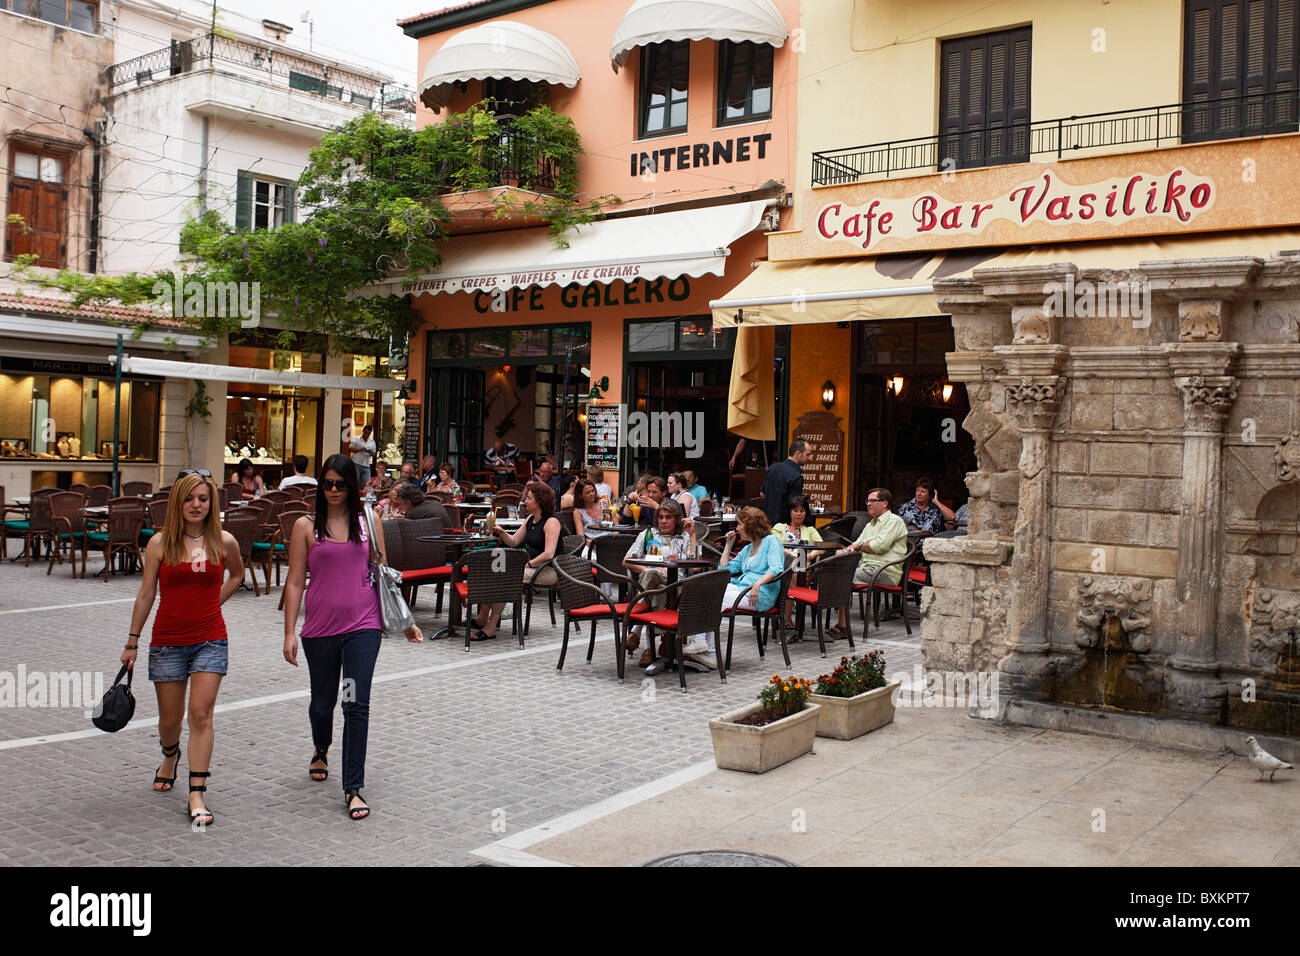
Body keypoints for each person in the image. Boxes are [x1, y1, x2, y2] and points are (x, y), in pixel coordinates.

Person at [282, 454, 422, 822]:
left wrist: (405, 622)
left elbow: (384, 576)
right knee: (322, 703)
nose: (332, 490)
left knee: (355, 705)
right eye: (326, 484)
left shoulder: (369, 522)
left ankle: (353, 787)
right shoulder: (305, 527)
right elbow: (295, 580)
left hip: (363, 626)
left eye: (339, 484)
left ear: (351, 487)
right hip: (320, 631)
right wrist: (288, 633)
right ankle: (320, 747)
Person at [121, 470, 244, 827]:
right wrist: (132, 641)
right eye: (189, 499)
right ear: (178, 502)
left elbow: (236, 574)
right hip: (167, 642)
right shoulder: (159, 543)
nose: (196, 505)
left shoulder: (224, 541)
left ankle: (196, 794)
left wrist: (213, 603)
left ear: (211, 503)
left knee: (201, 715)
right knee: (169, 721)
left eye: (203, 499)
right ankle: (170, 754)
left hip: (210, 639)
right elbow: (146, 594)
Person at [677, 505, 784, 673]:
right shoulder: (747, 549)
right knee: (705, 592)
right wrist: (728, 545)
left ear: (750, 525)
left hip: (760, 595)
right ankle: (707, 652)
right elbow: (725, 570)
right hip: (742, 590)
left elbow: (776, 568)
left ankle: (704, 648)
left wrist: (758, 584)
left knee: (711, 596)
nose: (737, 528)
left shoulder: (772, 542)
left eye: (740, 524)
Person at [471, 484, 562, 641]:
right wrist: (501, 532)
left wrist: (530, 564)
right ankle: (481, 617)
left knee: (508, 578)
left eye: (529, 498)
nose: (525, 501)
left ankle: (491, 626)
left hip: (548, 570)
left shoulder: (551, 522)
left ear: (540, 501)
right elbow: (513, 542)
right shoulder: (530, 519)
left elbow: (549, 553)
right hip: (531, 566)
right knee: (495, 571)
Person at [623, 500, 697, 668]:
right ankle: (648, 649)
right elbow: (626, 561)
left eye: (668, 517)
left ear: (676, 519)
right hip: (655, 582)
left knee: (654, 588)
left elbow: (694, 567)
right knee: (655, 585)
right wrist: (647, 571)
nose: (663, 521)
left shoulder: (684, 537)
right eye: (661, 517)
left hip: (676, 583)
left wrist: (692, 535)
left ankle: (636, 631)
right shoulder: (648, 534)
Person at [832, 487, 909, 638]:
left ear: (885, 503)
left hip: (885, 571)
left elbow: (879, 546)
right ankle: (840, 623)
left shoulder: (894, 521)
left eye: (873, 500)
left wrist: (859, 547)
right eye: (867, 501)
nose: (868, 504)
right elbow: (856, 544)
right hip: (867, 568)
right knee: (834, 570)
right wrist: (845, 551)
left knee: (843, 577)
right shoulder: (870, 524)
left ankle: (843, 626)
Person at [772, 495, 823, 627]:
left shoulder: (809, 530)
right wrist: (790, 553)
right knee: (792, 571)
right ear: (789, 512)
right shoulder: (780, 527)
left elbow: (820, 547)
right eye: (795, 510)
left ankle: (786, 617)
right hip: (780, 564)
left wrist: (809, 556)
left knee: (794, 570)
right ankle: (787, 617)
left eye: (802, 511)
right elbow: (774, 544)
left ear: (806, 513)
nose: (799, 514)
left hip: (802, 566)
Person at [760, 440, 811, 526]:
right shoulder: (796, 477)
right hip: (784, 526)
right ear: (798, 453)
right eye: (807, 455)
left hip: (766, 522)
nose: (810, 458)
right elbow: (795, 506)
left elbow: (762, 493)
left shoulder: (772, 468)